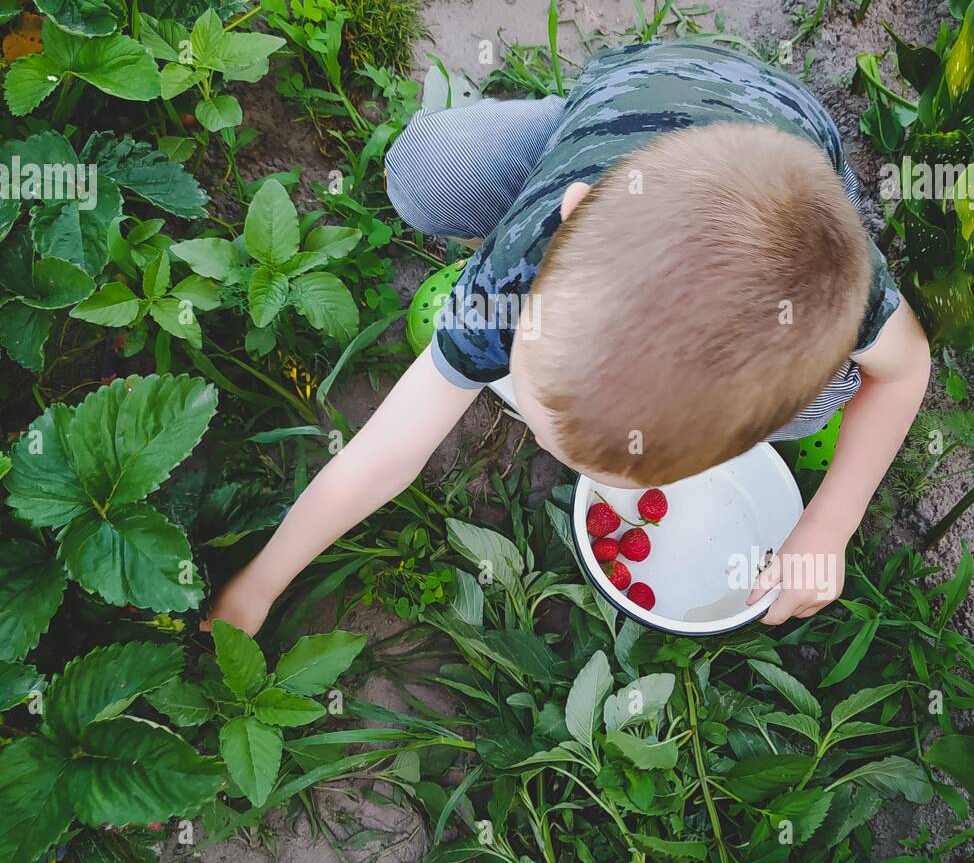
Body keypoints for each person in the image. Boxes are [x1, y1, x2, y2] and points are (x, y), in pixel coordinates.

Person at [205, 40, 930, 635]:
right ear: (570, 214)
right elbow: (387, 447)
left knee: (814, 401)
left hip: (786, 131)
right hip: (633, 90)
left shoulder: (834, 287)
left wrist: (831, 523)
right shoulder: (528, 253)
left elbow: (905, 369)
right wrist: (261, 583)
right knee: (423, 170)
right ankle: (549, 138)